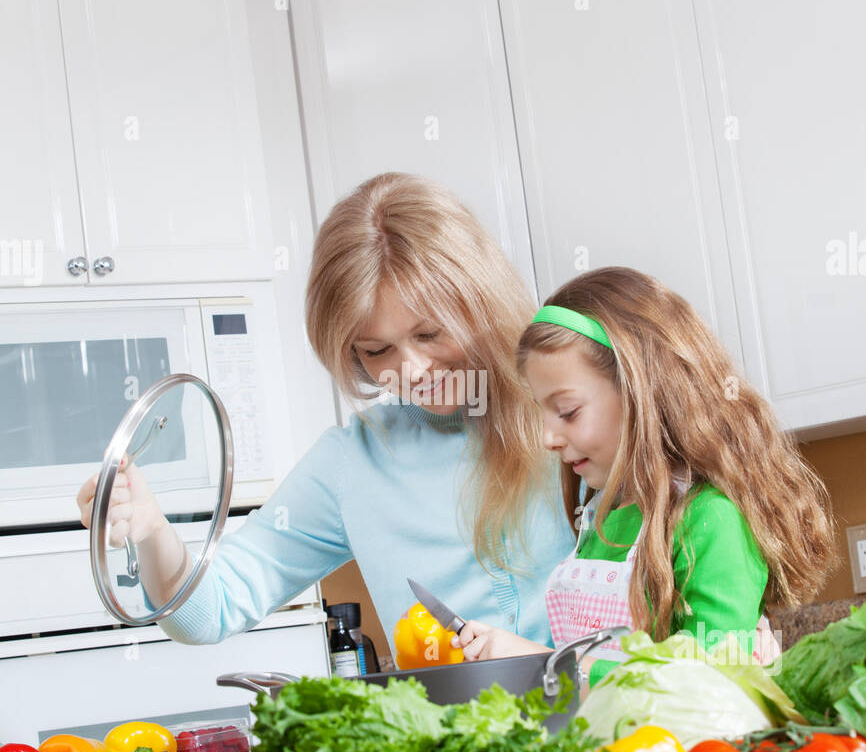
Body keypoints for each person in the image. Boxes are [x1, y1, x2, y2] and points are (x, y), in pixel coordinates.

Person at [77, 174, 576, 654]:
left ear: (481, 302)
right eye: (378, 350)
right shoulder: (354, 463)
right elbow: (208, 611)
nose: (414, 369)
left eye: (430, 334)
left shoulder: (573, 412)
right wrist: (152, 530)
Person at [452, 267, 837, 692]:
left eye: (567, 411)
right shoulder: (601, 516)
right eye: (541, 413)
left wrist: (547, 666)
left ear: (643, 393)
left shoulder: (712, 519)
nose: (548, 439)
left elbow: (706, 684)